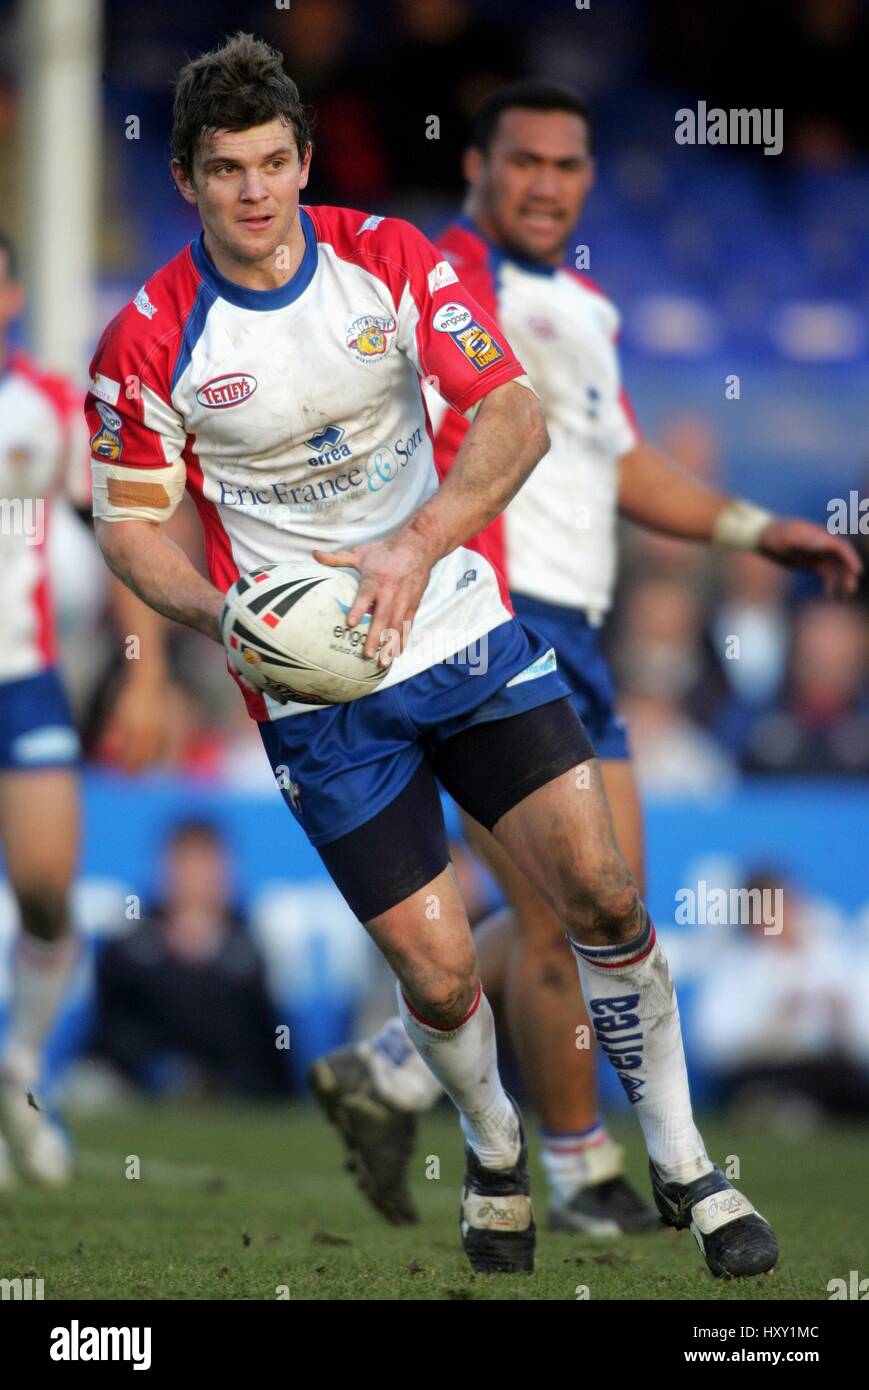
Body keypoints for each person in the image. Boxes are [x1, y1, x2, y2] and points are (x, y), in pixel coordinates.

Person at [86, 34, 789, 1277]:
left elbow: (512, 414)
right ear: (186, 179)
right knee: (439, 967)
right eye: (224, 170)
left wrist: (416, 545)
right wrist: (215, 618)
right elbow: (132, 523)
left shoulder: (389, 260)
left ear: (305, 162)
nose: (252, 191)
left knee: (601, 893)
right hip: (311, 690)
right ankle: (493, 1149)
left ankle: (688, 1165)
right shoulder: (145, 338)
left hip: (459, 629)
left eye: (271, 163)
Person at [309, 80, 863, 1240]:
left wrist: (751, 528)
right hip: (486, 624)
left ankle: (395, 1064)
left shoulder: (586, 310)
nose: (544, 184)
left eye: (565, 166)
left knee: (602, 908)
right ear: (476, 165)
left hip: (582, 632)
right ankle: (577, 1173)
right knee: (563, 912)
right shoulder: (434, 284)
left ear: (588, 180)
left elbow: (620, 462)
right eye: (522, 161)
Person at [0, 233, 168, 1188]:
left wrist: (143, 674)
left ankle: (22, 1070)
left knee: (46, 889)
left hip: (22, 676)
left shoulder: (52, 408)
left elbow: (121, 527)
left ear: (11, 298)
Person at [93, 820, 291, 1100]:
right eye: (186, 867)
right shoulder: (130, 949)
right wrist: (161, 1070)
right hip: (139, 1087)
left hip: (232, 1093)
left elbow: (270, 1050)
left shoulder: (251, 954)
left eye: (206, 868)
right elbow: (109, 1035)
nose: (195, 882)